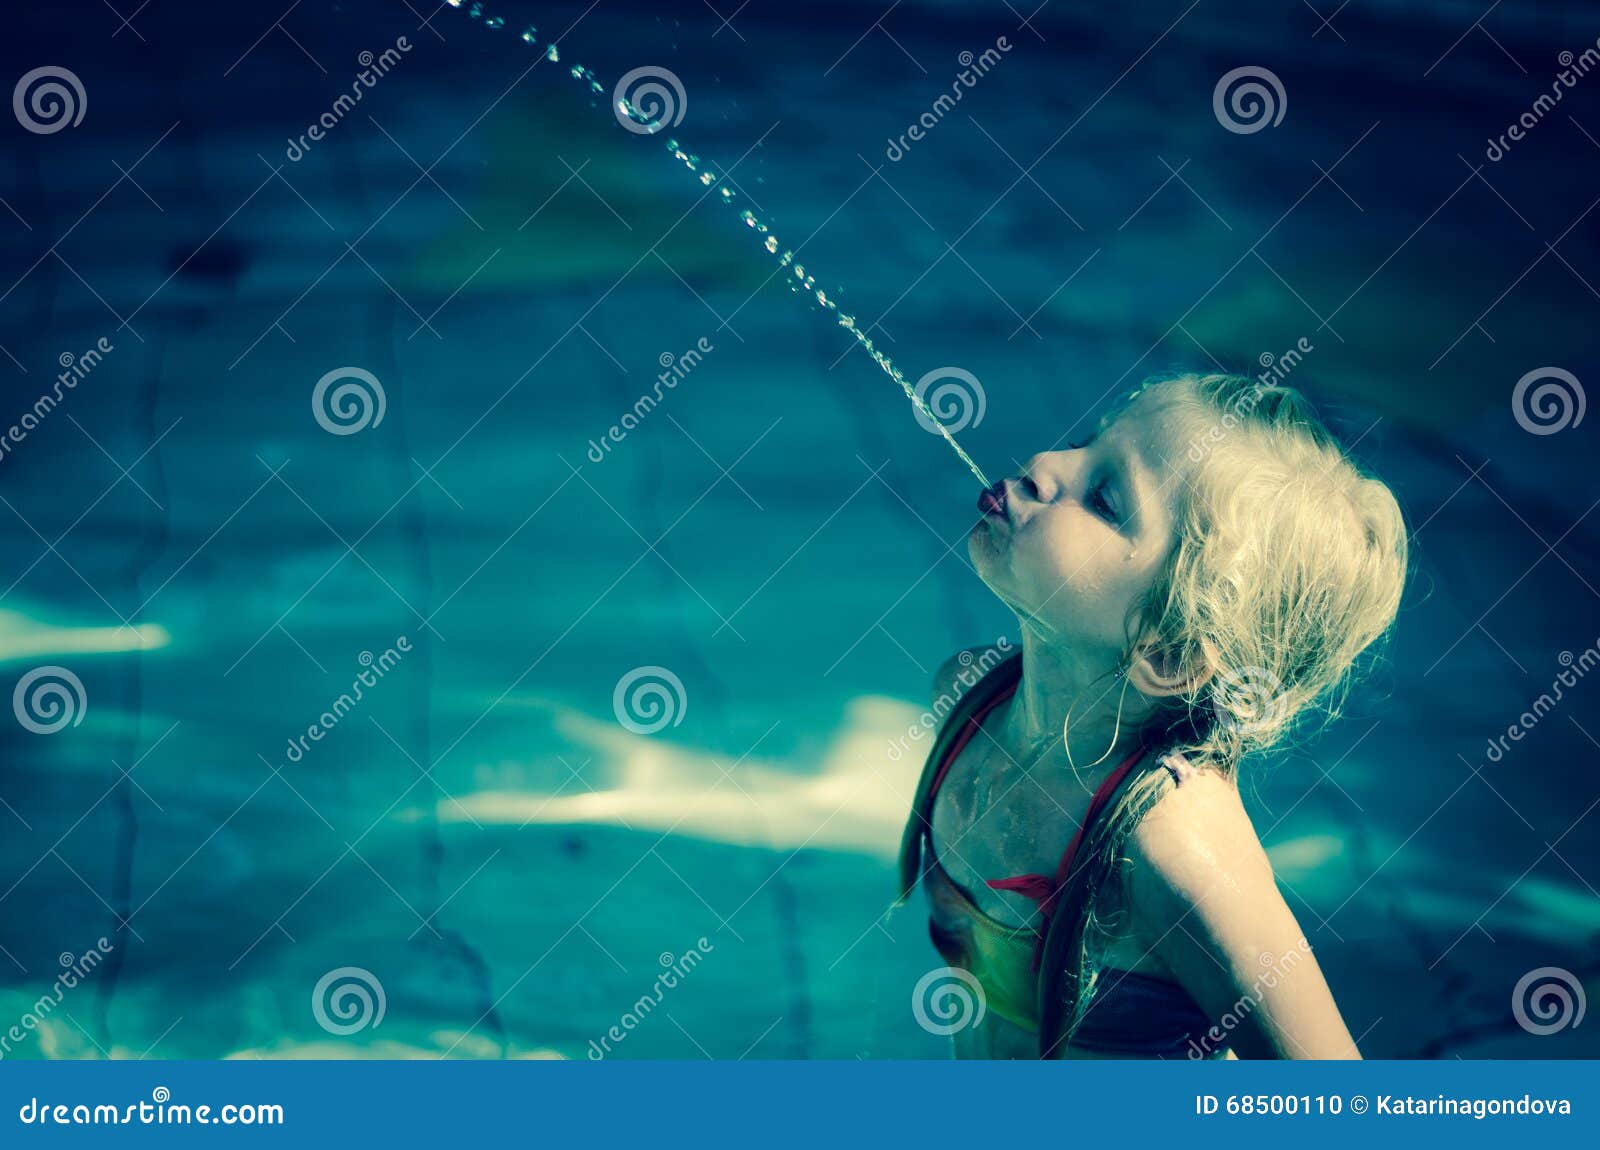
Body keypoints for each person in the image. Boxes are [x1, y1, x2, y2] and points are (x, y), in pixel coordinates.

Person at [898, 372, 1407, 1059]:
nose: (1048, 466)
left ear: (1166, 651)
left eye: (1105, 498)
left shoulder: (1170, 848)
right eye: (1086, 442)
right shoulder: (965, 706)